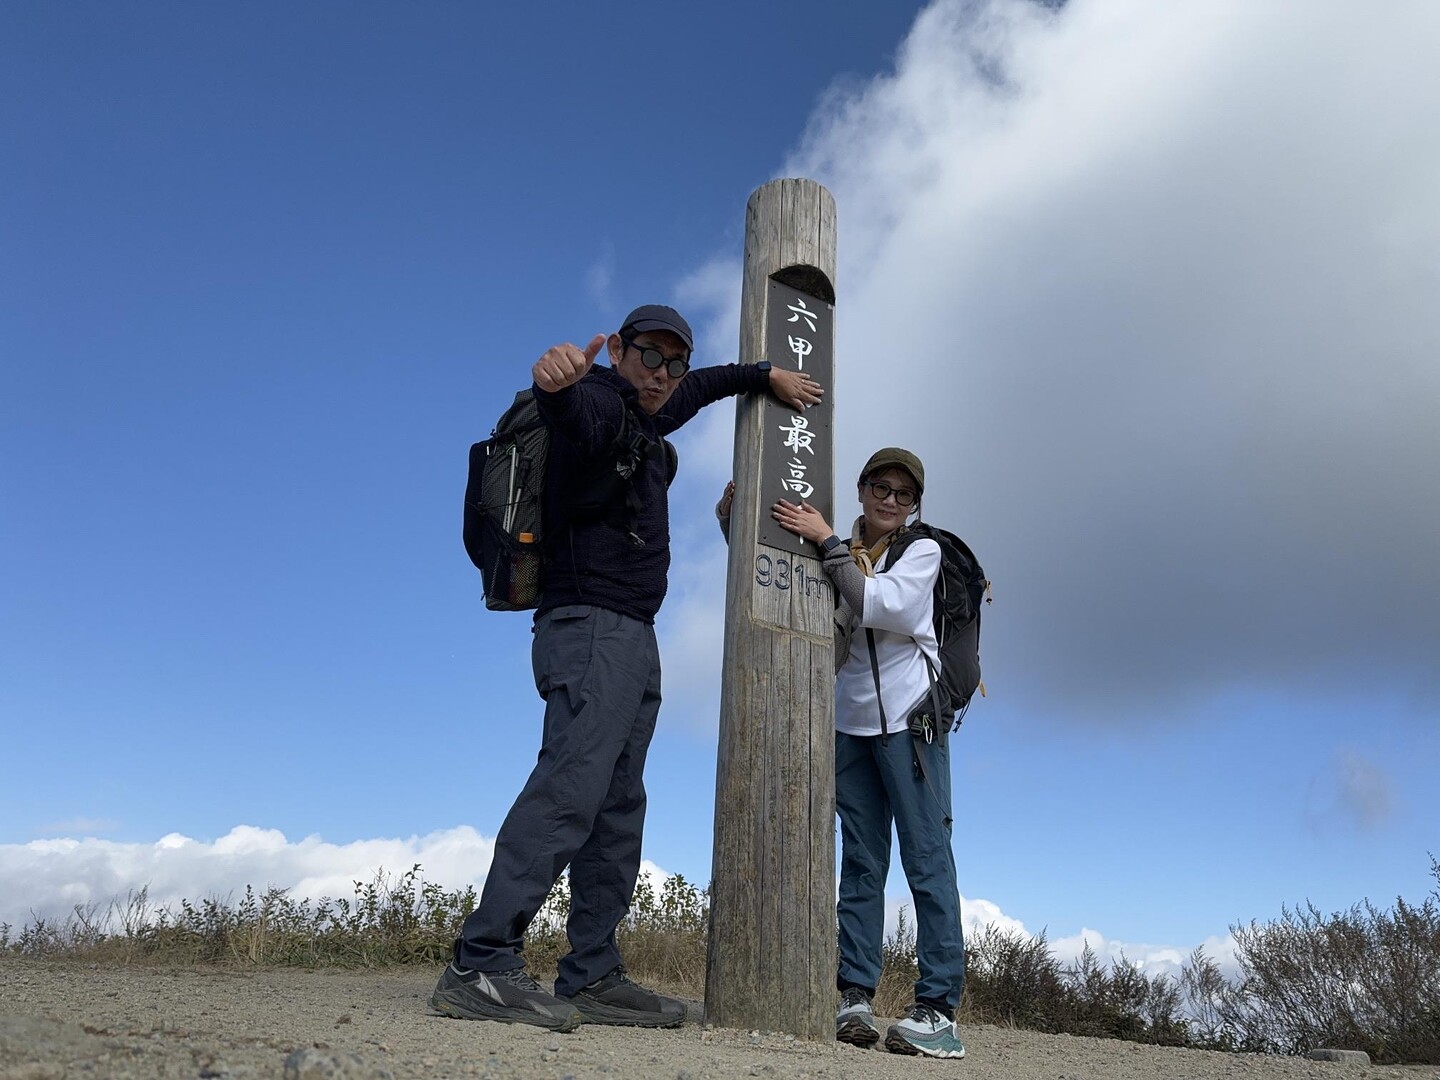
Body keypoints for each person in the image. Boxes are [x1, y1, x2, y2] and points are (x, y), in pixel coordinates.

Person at [431, 304, 824, 1033]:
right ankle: (480, 963)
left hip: (632, 636)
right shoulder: (602, 405)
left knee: (616, 807)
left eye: (673, 362)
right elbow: (573, 414)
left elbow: (701, 386)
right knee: (571, 786)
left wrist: (763, 374)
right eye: (649, 356)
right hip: (588, 627)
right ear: (616, 349)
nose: (661, 374)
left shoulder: (647, 415)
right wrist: (557, 386)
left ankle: (590, 972)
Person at [769, 447, 967, 1059]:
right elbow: (790, 584)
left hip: (911, 725)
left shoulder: (922, 551)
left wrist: (827, 540)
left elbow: (881, 605)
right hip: (849, 726)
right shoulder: (836, 548)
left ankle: (938, 1011)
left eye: (903, 494)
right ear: (861, 489)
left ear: (914, 507)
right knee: (860, 863)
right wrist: (736, 520)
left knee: (927, 860)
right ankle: (853, 995)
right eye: (880, 486)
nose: (890, 499)